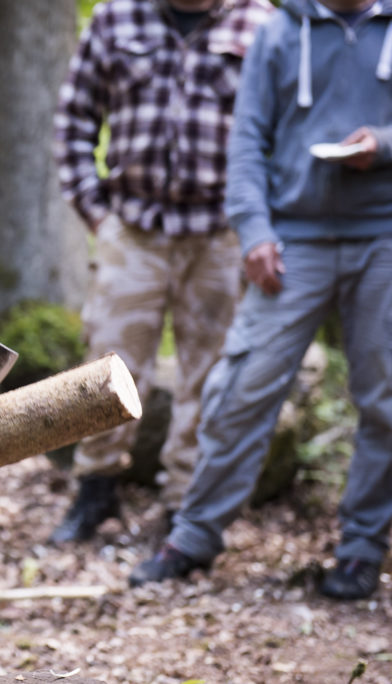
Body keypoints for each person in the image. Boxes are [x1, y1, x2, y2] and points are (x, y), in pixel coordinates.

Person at [129, 0, 392, 600]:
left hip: (384, 236)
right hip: (292, 242)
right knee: (241, 388)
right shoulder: (278, 30)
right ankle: (194, 536)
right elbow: (246, 139)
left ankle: (361, 550)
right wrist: (254, 231)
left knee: (385, 398)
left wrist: (381, 142)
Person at [50, 0, 274, 543]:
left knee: (212, 373)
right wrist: (96, 213)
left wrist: (260, 222)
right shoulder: (115, 17)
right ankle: (96, 489)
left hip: (220, 231)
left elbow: (279, 130)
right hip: (132, 225)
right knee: (107, 363)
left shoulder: (261, 22)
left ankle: (184, 506)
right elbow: (74, 118)